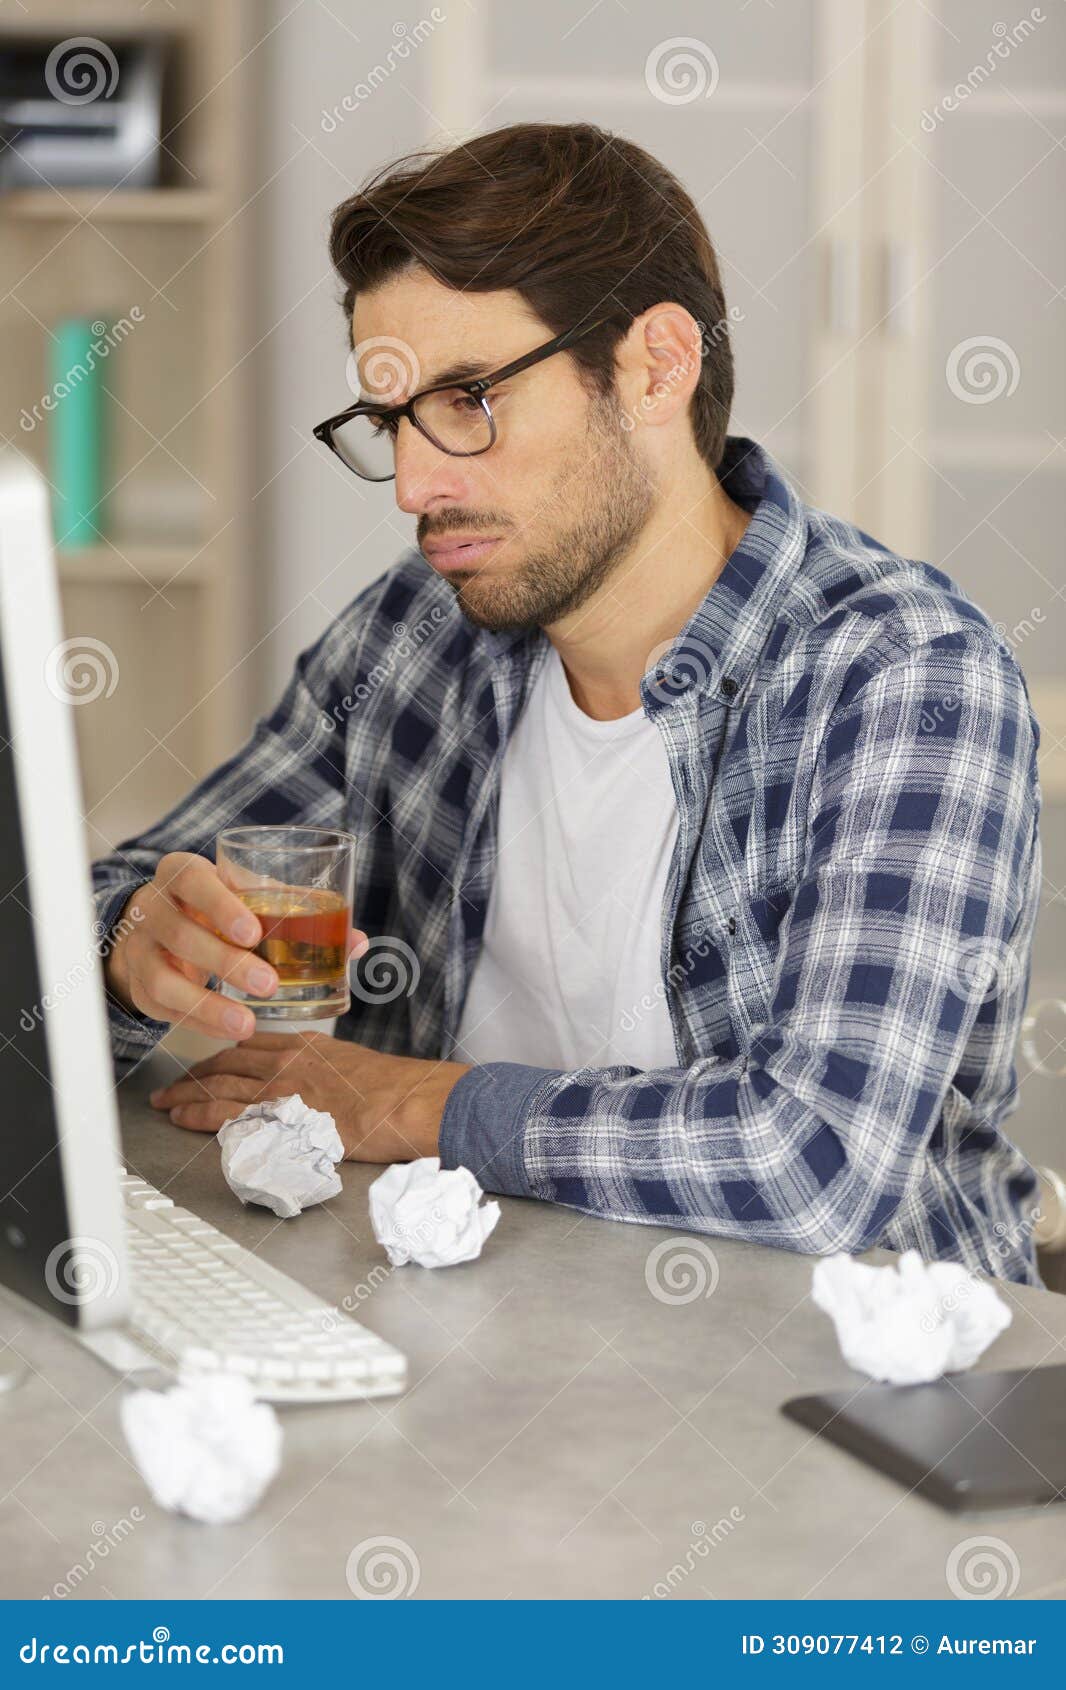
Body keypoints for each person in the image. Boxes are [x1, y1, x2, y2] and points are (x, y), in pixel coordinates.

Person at [93, 122, 1043, 1283]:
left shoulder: (902, 677)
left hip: (835, 1384)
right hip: (485, 1337)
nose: (415, 483)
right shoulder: (415, 633)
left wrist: (417, 1105)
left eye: (466, 400)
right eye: (392, 421)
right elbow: (97, 905)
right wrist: (125, 943)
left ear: (655, 366)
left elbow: (817, 1157)